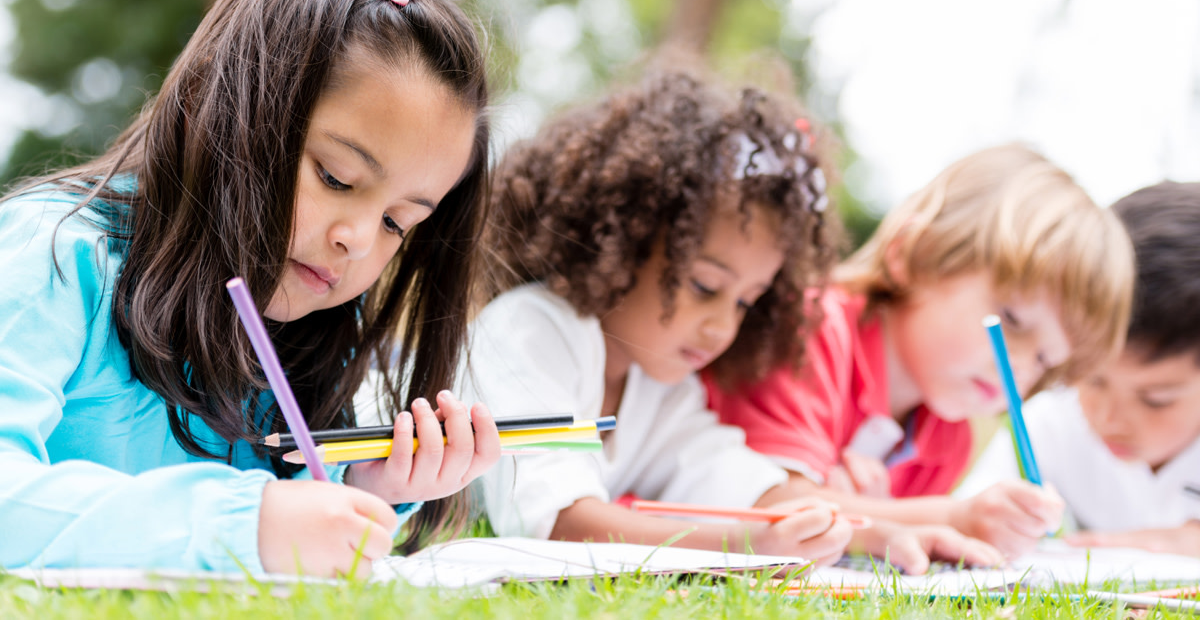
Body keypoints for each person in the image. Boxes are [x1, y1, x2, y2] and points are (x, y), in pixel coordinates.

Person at [0, 0, 500, 578]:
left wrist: (364, 485)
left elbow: (284, 505)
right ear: (223, 108)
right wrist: (242, 526)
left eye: (397, 222)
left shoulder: (304, 325)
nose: (359, 239)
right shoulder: (55, 254)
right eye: (336, 177)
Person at [462, 67, 1001, 574]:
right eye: (705, 287)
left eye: (746, 302)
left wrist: (874, 532)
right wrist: (744, 548)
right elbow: (558, 526)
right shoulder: (533, 331)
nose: (723, 327)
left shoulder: (659, 389)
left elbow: (748, 489)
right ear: (622, 238)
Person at [707, 144, 1135, 559]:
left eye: (1046, 360)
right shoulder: (812, 329)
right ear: (915, 254)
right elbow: (774, 508)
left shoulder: (948, 439)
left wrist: (884, 520)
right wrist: (955, 518)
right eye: (1012, 320)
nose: (1021, 365)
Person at [958, 181, 1200, 557]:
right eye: (1091, 378)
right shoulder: (1055, 422)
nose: (1108, 418)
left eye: (1156, 400)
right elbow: (970, 515)